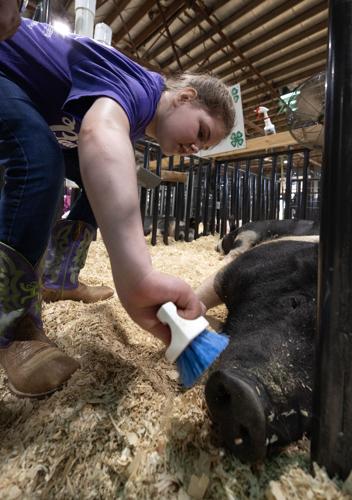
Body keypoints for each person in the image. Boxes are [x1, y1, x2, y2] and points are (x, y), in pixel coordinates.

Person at [0, 18, 235, 397]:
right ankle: (14, 331)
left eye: (202, 148)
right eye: (201, 132)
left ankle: (59, 279)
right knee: (39, 160)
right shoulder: (141, 88)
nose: (195, 148)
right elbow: (99, 132)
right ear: (185, 97)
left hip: (18, 89)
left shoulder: (138, 119)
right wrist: (136, 273)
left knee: (108, 178)